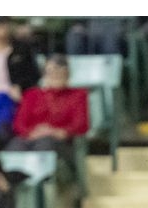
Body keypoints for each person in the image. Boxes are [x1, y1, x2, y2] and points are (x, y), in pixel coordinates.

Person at [8, 54, 89, 182]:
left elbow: (81, 124)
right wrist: (33, 133)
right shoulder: (32, 94)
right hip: (31, 137)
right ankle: (15, 186)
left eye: (59, 71)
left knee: (45, 143)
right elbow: (19, 123)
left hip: (61, 142)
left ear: (67, 74)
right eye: (51, 72)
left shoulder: (78, 95)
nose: (55, 75)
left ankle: (42, 188)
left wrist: (55, 132)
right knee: (15, 145)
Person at [0, 16, 41, 103]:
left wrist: (20, 86)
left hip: (14, 96)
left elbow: (33, 74)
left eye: (3, 24)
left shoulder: (22, 49)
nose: (0, 29)